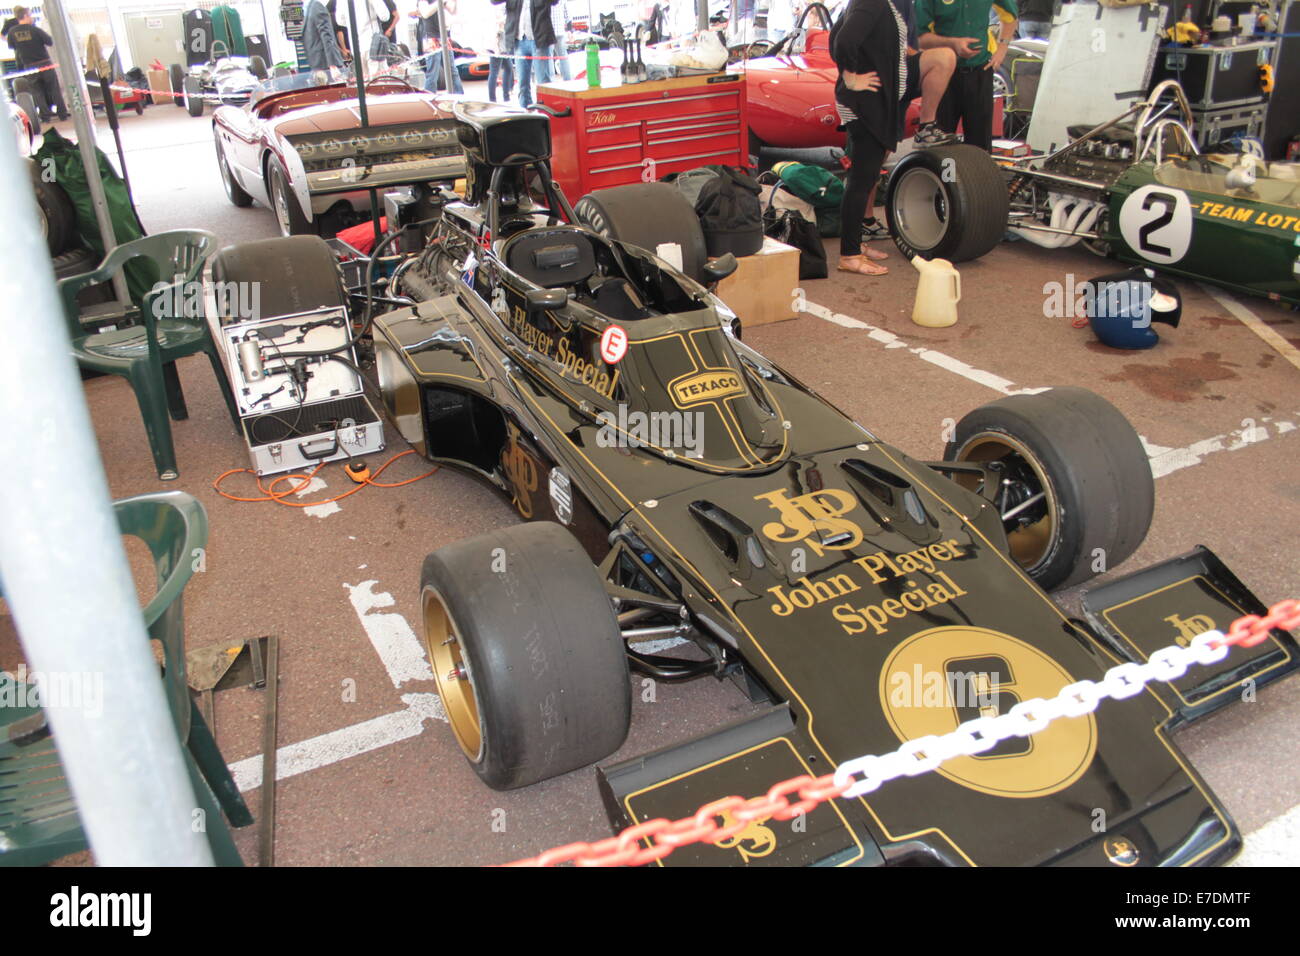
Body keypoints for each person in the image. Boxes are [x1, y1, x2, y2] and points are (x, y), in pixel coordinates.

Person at [830, 0, 909, 276]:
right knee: (861, 181)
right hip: (865, 105)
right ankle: (849, 255)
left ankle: (855, 245)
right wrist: (851, 77)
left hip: (870, 104)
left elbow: (835, 36)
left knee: (865, 178)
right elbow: (842, 41)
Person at [915, 0, 1017, 151]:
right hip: (942, 77)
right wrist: (953, 44)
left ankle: (978, 174)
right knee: (939, 145)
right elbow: (918, 38)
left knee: (980, 145)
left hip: (980, 72)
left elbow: (1010, 16)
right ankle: (941, 175)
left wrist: (1002, 49)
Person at [492, 0, 559, 109]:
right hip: (519, 40)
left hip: (539, 39)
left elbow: (555, 1)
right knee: (523, 85)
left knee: (543, 83)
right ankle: (527, 116)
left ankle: (547, 116)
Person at [5, 7, 67, 122]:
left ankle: (45, 116)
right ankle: (62, 114)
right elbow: (49, 41)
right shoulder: (35, 30)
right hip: (45, 63)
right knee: (54, 88)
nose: (32, 18)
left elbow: (11, 46)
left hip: (29, 66)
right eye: (30, 15)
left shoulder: (12, 32)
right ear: (25, 16)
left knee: (37, 91)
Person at [418, 0, 463, 93]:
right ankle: (430, 97)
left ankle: (459, 96)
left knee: (452, 70)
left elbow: (452, 11)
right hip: (431, 38)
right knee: (433, 72)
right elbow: (425, 13)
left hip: (444, 37)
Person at [304, 0, 346, 75]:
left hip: (325, 66)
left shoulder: (316, 6)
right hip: (319, 65)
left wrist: (333, 65)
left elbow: (327, 35)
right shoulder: (309, 7)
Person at [487, 6, 514, 101]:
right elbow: (497, 22)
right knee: (495, 71)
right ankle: (494, 98)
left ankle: (505, 96)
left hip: (500, 41)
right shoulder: (497, 6)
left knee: (507, 68)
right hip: (497, 41)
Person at [540, 0, 570, 84]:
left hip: (548, 29)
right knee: (563, 56)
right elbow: (567, 14)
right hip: (560, 30)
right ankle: (567, 79)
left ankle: (551, 81)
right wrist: (568, 29)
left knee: (549, 56)